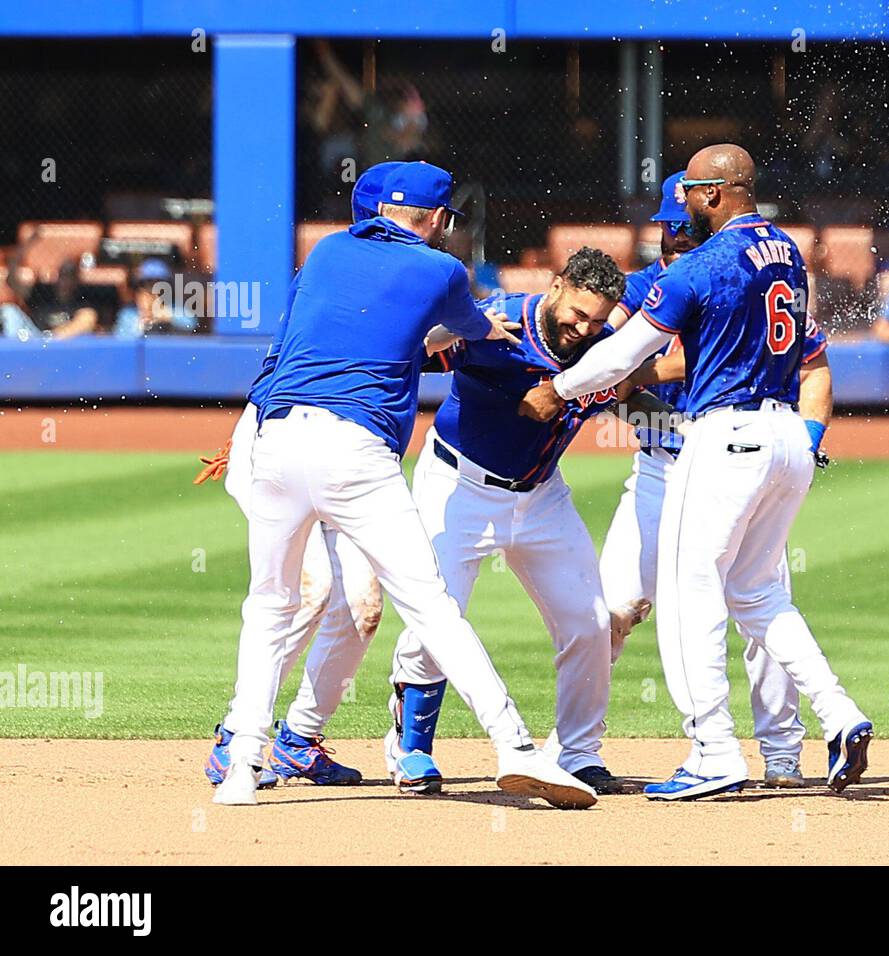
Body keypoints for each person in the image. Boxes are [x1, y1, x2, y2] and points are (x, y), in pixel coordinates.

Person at [211, 161, 596, 810]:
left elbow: (285, 352)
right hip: (354, 448)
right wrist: (486, 327)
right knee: (430, 605)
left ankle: (242, 768)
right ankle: (514, 747)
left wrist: (246, 436)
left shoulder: (327, 250)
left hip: (275, 436)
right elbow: (471, 328)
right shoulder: (441, 270)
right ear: (439, 220)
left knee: (269, 607)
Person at [518, 144, 874, 801]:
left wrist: (560, 389)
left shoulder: (699, 269)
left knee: (690, 597)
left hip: (722, 439)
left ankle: (714, 752)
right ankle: (841, 713)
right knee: (762, 597)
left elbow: (625, 352)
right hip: (783, 436)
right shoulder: (787, 253)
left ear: (712, 195)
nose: (678, 214)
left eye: (686, 201)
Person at [385, 248, 672, 796]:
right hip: (458, 483)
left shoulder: (602, 350)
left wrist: (691, 429)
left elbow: (624, 401)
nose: (584, 326)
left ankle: (580, 752)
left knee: (589, 621)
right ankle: (412, 748)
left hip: (542, 496)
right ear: (557, 285)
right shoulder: (501, 325)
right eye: (577, 312)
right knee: (438, 614)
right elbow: (412, 355)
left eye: (597, 318)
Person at [600, 171, 834, 789]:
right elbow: (609, 372)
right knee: (609, 611)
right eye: (666, 228)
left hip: (734, 460)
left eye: (682, 225)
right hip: (661, 468)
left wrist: (810, 437)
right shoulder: (647, 286)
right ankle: (580, 747)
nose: (674, 237)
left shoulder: (738, 274)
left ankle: (780, 753)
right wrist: (644, 397)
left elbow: (813, 368)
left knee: (756, 607)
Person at [196, 161, 402, 790]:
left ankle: (299, 738)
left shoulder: (393, 271)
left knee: (364, 603)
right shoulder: (333, 267)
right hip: (279, 439)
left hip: (345, 451)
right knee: (308, 588)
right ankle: (238, 736)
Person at [114, 258, 197, 338]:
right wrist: (141, 325)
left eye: (160, 290)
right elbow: (121, 338)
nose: (154, 295)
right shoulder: (129, 314)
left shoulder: (174, 308)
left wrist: (168, 316)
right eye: (147, 289)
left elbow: (191, 324)